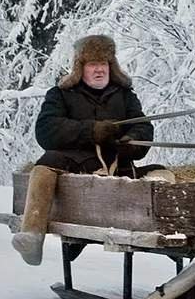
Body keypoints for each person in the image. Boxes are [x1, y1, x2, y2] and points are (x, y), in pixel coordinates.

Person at [11, 33, 156, 265]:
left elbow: (144, 128)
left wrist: (130, 142)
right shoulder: (60, 95)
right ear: (81, 68)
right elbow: (46, 131)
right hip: (73, 164)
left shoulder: (125, 96)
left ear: (112, 67)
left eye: (104, 64)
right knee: (46, 163)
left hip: (116, 167)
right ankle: (32, 235)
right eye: (93, 65)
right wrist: (91, 131)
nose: (99, 70)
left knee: (160, 172)